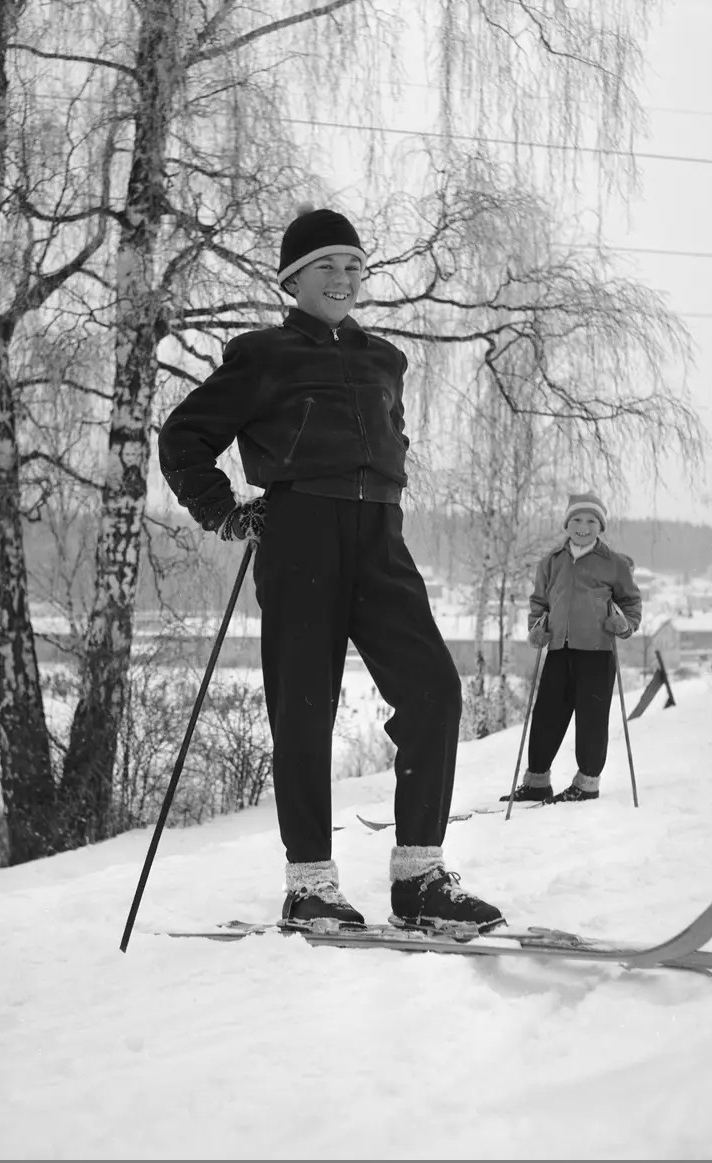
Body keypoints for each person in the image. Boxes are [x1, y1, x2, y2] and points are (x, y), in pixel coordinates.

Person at [157, 206, 502, 932]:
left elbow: (392, 438)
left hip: (380, 535)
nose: (344, 277)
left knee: (433, 691)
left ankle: (419, 879)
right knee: (304, 712)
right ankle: (310, 884)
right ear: (293, 280)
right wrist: (226, 512)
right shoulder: (263, 357)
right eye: (327, 267)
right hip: (301, 536)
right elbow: (185, 437)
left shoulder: (383, 360)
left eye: (354, 266)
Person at [503, 492, 642, 805]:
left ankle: (587, 783)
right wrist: (537, 627)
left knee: (591, 720)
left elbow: (631, 603)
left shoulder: (614, 564)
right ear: (567, 524)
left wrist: (624, 624)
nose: (583, 526)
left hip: (597, 653)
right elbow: (539, 602)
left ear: (600, 527)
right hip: (559, 650)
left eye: (591, 521)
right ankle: (537, 781)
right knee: (546, 717)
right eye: (577, 519)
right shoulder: (552, 562)